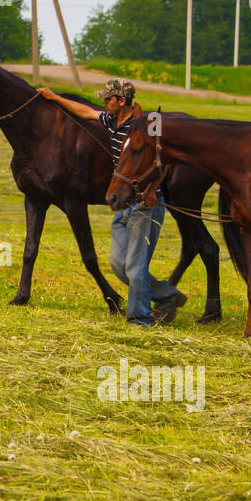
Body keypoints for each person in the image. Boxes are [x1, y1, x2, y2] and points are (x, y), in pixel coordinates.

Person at [34, 78, 186, 327]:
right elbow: (86, 111)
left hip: (146, 204)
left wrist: (152, 189)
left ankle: (141, 319)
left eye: (108, 99)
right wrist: (54, 98)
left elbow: (165, 160)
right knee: (118, 264)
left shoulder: (147, 124)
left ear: (122, 100)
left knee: (135, 267)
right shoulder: (111, 120)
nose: (103, 103)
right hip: (125, 203)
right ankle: (169, 295)